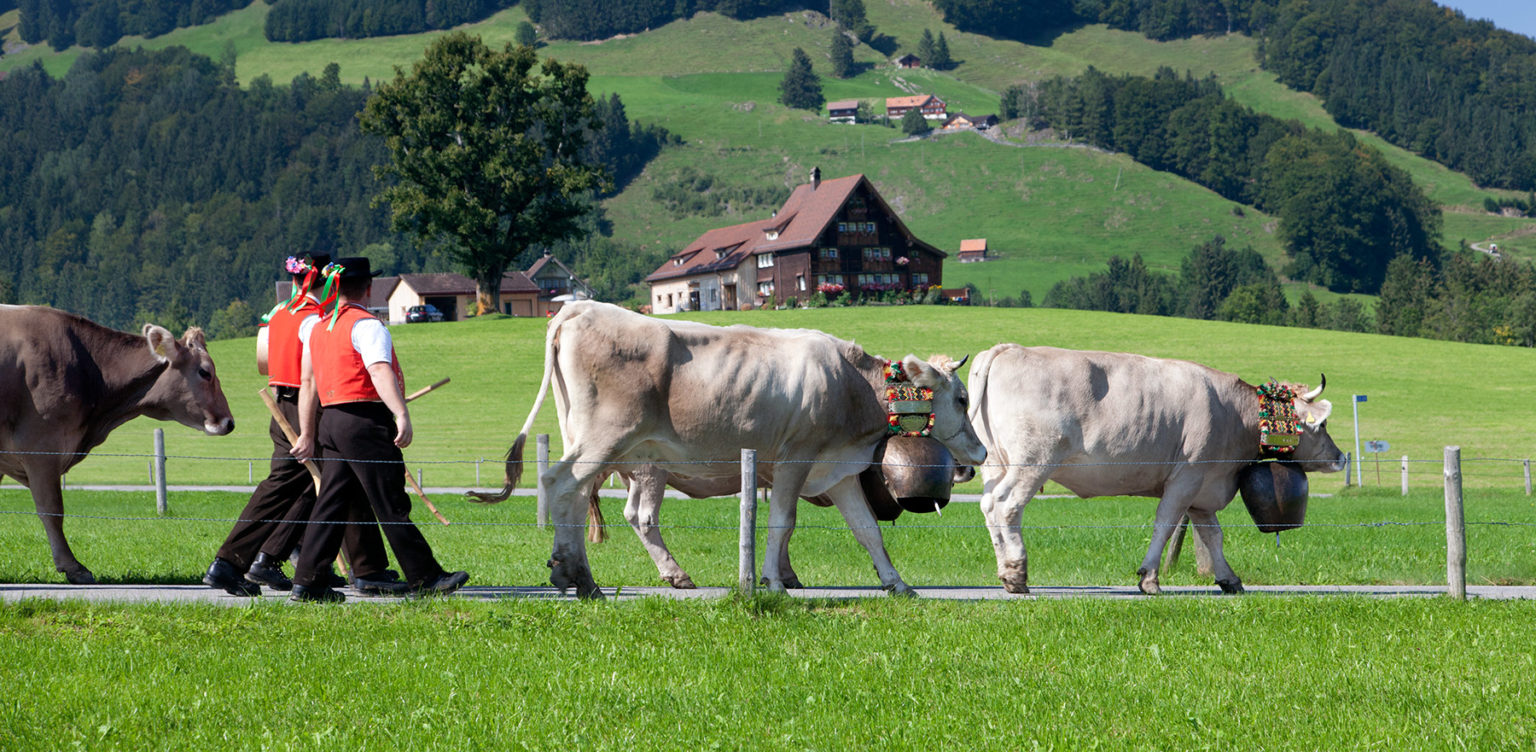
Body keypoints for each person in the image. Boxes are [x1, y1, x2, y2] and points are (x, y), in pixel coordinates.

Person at [202, 254, 399, 597]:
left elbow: (264, 362)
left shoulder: (278, 314)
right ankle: (232, 562)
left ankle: (357, 567)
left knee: (318, 485)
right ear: (325, 284)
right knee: (312, 483)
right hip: (312, 405)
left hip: (283, 402)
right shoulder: (319, 318)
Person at [289, 257, 468, 602]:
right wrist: (401, 413)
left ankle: (307, 581)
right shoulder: (367, 325)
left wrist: (308, 433)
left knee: (330, 503)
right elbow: (379, 371)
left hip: (331, 421)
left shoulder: (316, 327)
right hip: (364, 421)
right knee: (390, 500)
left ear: (334, 288)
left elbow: (307, 382)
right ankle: (425, 577)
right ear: (369, 289)